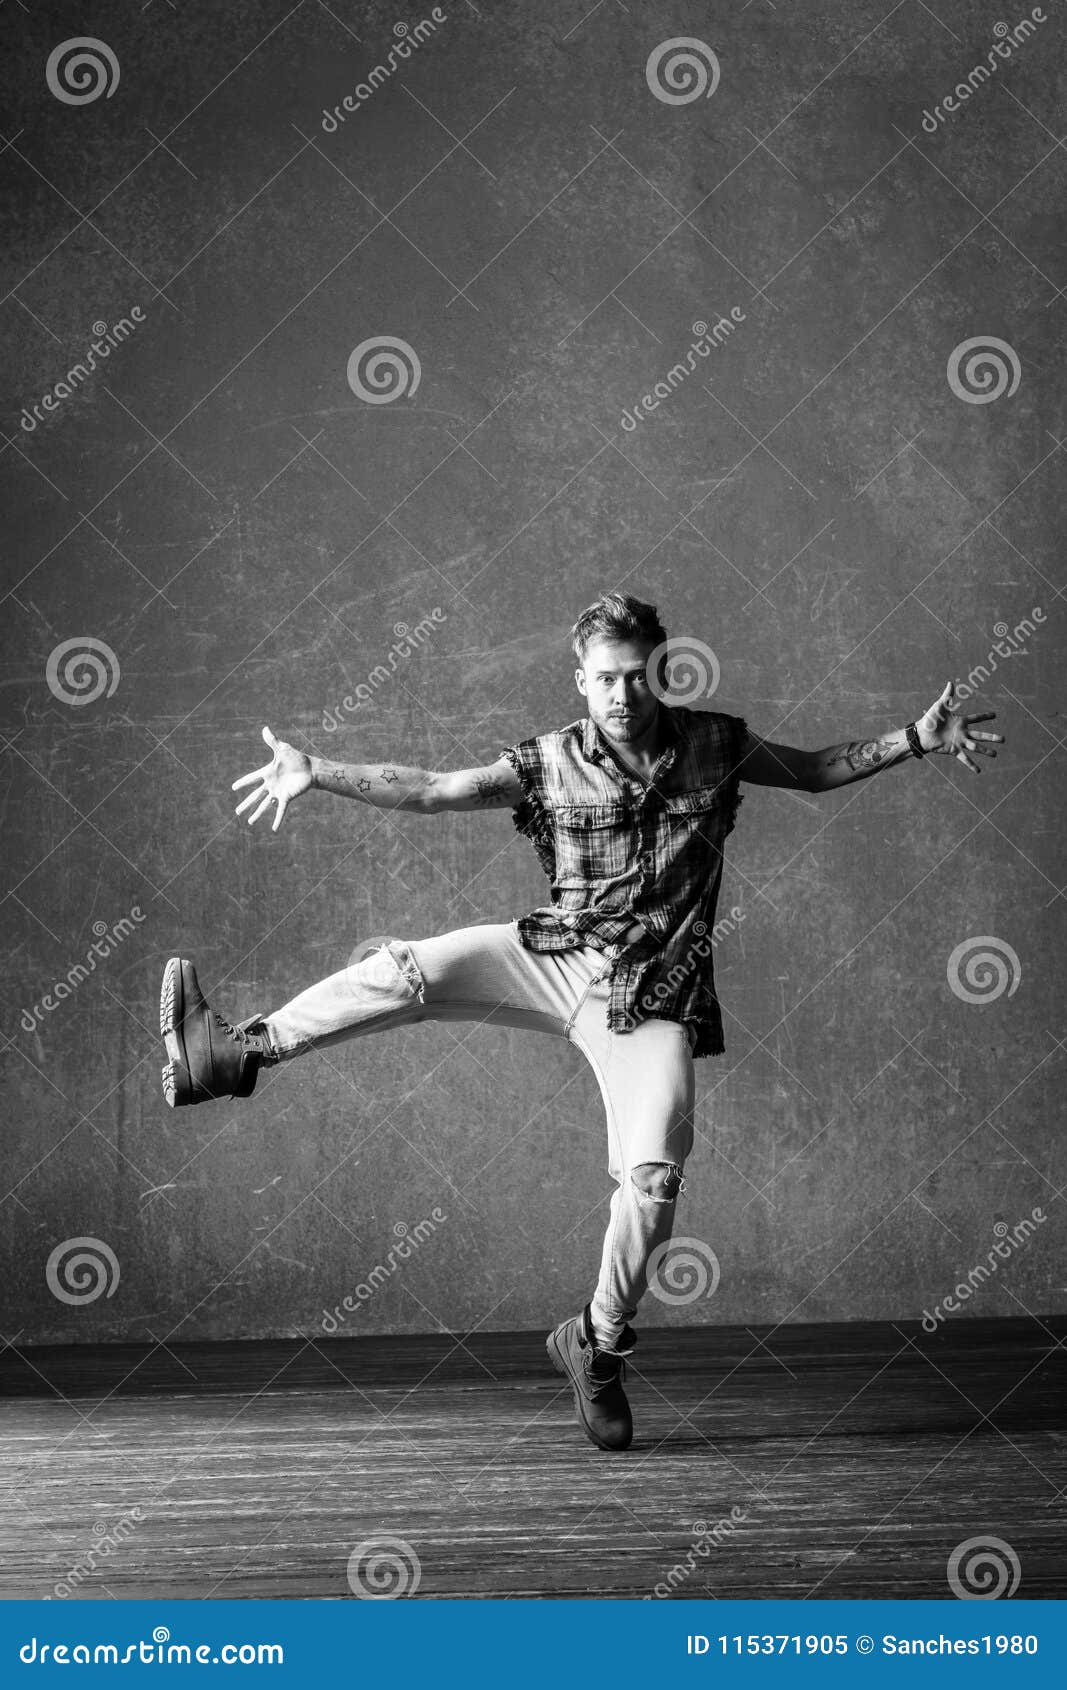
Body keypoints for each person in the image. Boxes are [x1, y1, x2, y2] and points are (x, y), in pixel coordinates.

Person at [158, 591, 1003, 1451]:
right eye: (604, 679)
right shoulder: (549, 760)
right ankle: (236, 1053)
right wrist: (318, 769)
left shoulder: (716, 743)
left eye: (637, 677)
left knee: (655, 1182)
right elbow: (431, 791)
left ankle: (596, 1347)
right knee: (410, 967)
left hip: (652, 998)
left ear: (661, 672)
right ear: (580, 680)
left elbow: (816, 770)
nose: (622, 696)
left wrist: (915, 739)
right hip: (554, 956)